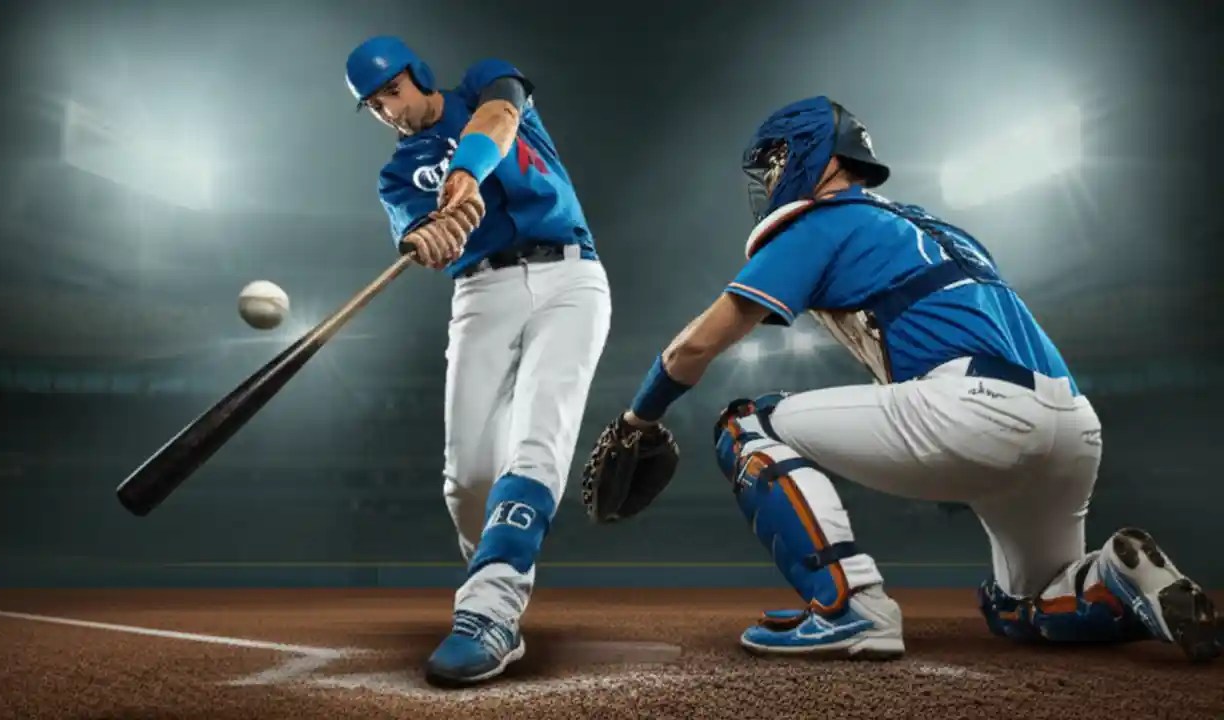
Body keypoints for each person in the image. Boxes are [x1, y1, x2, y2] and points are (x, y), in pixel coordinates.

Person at [583, 95, 1218, 662]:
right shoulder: (939, 227)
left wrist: (638, 417)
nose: (770, 177)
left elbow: (696, 345)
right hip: (1072, 426)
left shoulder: (823, 222)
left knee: (747, 424)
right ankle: (1115, 575)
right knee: (1020, 607)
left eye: (776, 159)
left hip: (976, 410)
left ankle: (848, 606)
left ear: (816, 155)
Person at [345, 35, 611, 686]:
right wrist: (428, 236)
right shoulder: (396, 175)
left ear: (419, 75)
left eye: (393, 92)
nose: (388, 110)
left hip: (569, 277)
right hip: (481, 292)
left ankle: (488, 613)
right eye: (374, 105)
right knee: (466, 479)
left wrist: (467, 171)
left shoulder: (483, 86)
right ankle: (496, 574)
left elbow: (501, 115)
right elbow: (422, 240)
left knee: (535, 441)